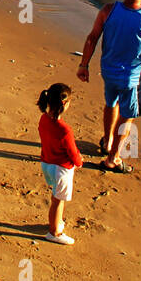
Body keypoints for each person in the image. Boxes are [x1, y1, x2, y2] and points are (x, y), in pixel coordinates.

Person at [76, 0, 141, 173]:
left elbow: (92, 38)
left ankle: (108, 141)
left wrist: (84, 65)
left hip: (108, 72)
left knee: (111, 104)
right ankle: (112, 158)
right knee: (128, 115)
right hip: (131, 79)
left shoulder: (108, 10)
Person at [37, 83, 82, 244]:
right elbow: (72, 151)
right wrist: (79, 161)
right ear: (65, 104)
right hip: (61, 169)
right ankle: (54, 232)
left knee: (56, 195)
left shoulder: (44, 119)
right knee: (58, 199)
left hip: (47, 163)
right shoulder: (64, 130)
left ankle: (57, 222)